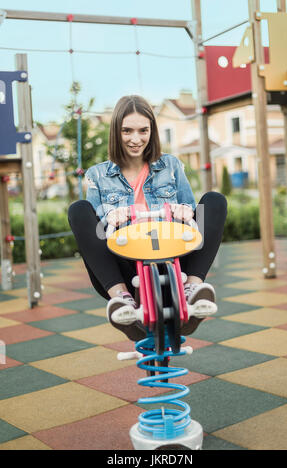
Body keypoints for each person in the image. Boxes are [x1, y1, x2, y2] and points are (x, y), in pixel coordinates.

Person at [68, 95, 227, 341]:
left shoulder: (171, 166)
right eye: (127, 131)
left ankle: (191, 289)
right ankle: (123, 301)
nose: (136, 139)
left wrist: (183, 210)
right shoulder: (97, 175)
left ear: (152, 131)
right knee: (78, 209)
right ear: (116, 132)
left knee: (214, 201)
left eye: (143, 130)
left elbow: (189, 207)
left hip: (172, 256)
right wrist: (111, 216)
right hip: (125, 264)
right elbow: (96, 228)